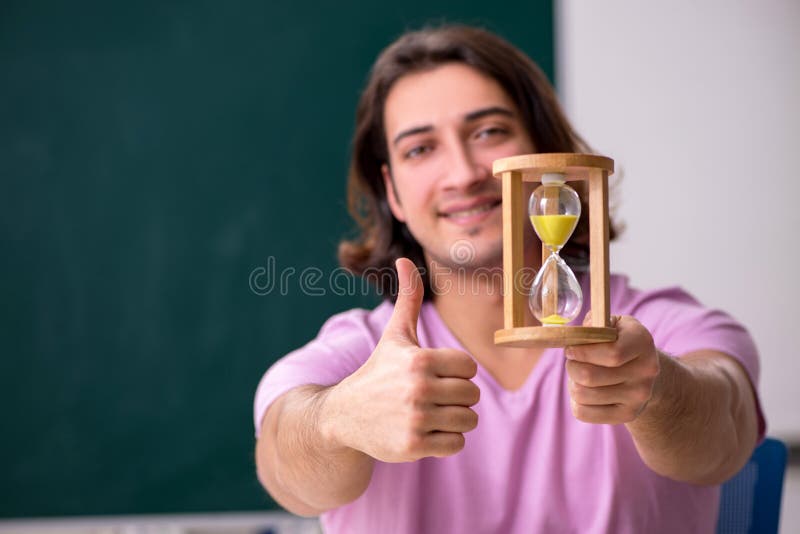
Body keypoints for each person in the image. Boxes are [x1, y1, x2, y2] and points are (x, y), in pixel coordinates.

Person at [253, 25, 764, 533]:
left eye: (488, 132)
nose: (463, 173)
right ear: (392, 194)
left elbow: (726, 433)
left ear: (545, 155)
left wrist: (660, 390)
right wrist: (338, 419)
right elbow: (283, 464)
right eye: (420, 149)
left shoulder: (660, 327)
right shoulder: (362, 353)